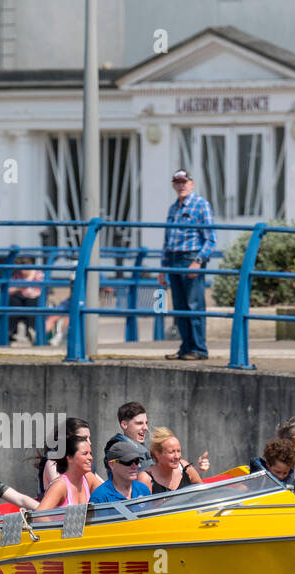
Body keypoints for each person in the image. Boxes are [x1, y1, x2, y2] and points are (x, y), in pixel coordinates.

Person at [159, 168, 215, 361]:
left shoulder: (201, 205)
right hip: (174, 259)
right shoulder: (173, 208)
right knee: (180, 306)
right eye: (177, 182)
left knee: (194, 305)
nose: (181, 186)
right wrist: (163, 268)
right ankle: (185, 347)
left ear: (191, 184)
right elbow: (167, 241)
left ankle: (199, 349)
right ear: (174, 185)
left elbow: (210, 239)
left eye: (184, 182)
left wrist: (198, 261)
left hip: (190, 258)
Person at [36, 434, 104, 510]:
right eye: (85, 454)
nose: (90, 458)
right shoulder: (60, 485)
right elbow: (39, 516)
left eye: (90, 454)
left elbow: (108, 495)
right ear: (69, 458)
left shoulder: (88, 477)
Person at [35, 416, 92, 497]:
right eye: (84, 438)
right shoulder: (52, 463)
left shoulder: (84, 464)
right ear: (67, 437)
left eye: (89, 438)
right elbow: (65, 496)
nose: (89, 443)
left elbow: (102, 488)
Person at [146, 426, 207, 493]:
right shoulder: (146, 478)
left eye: (178, 451)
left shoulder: (185, 468)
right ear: (157, 454)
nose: (177, 456)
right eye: (171, 452)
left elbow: (203, 493)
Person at [91, 438, 154, 504]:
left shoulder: (143, 490)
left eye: (137, 461)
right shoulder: (100, 497)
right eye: (128, 462)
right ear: (112, 465)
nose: (135, 466)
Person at [106, 401, 156, 472]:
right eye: (139, 423)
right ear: (124, 425)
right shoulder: (118, 450)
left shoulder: (141, 447)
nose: (146, 428)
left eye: (146, 423)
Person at [7, 257, 44, 344]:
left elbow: (41, 291)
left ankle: (31, 330)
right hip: (20, 299)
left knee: (31, 302)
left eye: (26, 265)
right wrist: (21, 288)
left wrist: (31, 276)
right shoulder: (17, 275)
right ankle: (11, 331)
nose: (23, 269)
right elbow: (9, 290)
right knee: (13, 301)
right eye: (21, 265)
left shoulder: (38, 274)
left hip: (33, 299)